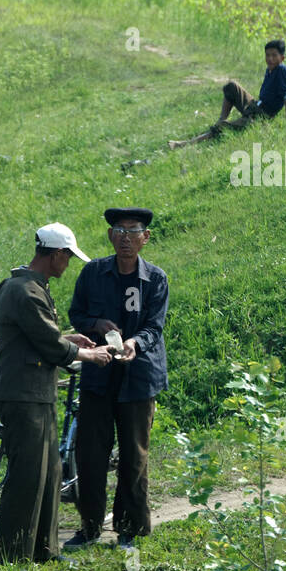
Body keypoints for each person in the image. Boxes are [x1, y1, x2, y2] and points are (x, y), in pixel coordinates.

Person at [0, 222, 113, 563]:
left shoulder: (19, 286)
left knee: (49, 473)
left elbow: (35, 335)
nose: (68, 265)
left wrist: (66, 339)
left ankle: (43, 550)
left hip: (36, 393)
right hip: (24, 395)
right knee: (28, 475)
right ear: (55, 254)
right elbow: (49, 345)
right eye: (67, 257)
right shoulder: (26, 291)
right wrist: (90, 354)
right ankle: (10, 557)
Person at [65, 207, 169, 550]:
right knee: (90, 454)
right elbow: (77, 314)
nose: (126, 238)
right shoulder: (93, 273)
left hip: (139, 378)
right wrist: (97, 325)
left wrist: (134, 343)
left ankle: (130, 528)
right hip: (99, 372)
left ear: (145, 237)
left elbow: (155, 326)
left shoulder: (156, 279)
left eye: (133, 230)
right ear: (110, 236)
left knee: (133, 455)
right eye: (119, 231)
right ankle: (89, 526)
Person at [168, 39, 286, 147]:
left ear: (282, 58)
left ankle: (185, 144)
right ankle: (222, 117)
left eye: (274, 55)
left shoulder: (282, 70)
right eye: (267, 55)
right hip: (255, 106)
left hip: (261, 117)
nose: (270, 59)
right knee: (231, 86)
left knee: (224, 127)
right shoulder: (270, 70)